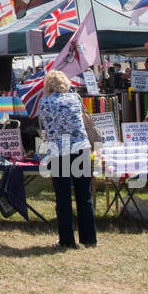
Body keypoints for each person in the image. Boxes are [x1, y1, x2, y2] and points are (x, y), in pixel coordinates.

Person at [38, 70, 98, 249]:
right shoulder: (75, 98)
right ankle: (89, 239)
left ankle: (67, 240)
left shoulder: (45, 102)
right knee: (84, 195)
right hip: (81, 148)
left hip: (59, 151)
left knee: (63, 197)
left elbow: (45, 127)